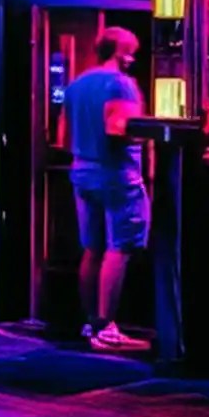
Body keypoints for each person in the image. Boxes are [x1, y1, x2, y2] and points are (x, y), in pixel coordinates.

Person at [58, 27, 150, 351]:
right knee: (119, 248)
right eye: (131, 53)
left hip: (82, 172)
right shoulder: (121, 84)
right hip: (116, 175)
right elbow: (117, 129)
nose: (133, 59)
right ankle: (107, 328)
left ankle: (90, 323)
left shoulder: (76, 85)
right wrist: (149, 134)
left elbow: (62, 138)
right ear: (121, 53)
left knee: (92, 248)